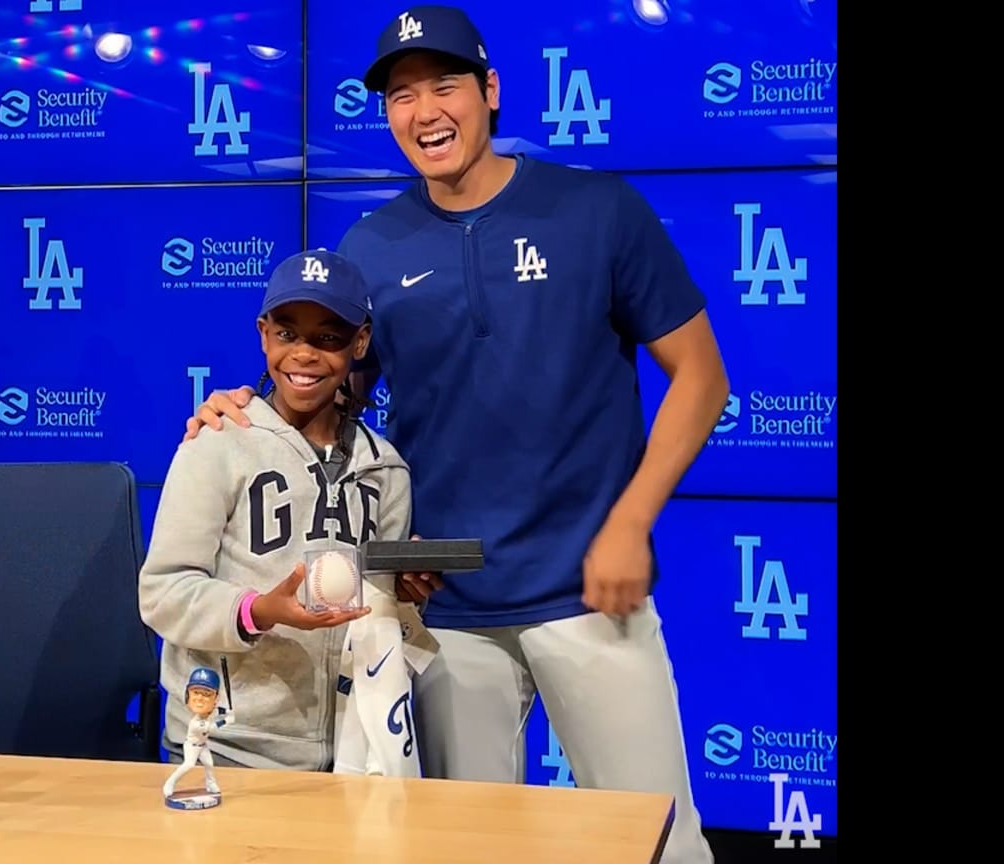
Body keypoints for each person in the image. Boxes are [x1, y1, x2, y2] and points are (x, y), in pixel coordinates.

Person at [182, 6, 727, 862]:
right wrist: (239, 410)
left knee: (658, 845)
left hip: (589, 590)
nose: (424, 110)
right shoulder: (373, 241)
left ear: (490, 92)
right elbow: (326, 394)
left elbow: (701, 376)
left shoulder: (597, 210)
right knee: (466, 848)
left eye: (444, 85)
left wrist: (629, 524)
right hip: (441, 607)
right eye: (401, 95)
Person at [140, 248, 415, 775]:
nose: (304, 355)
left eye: (328, 338)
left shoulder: (387, 470)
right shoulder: (218, 442)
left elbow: (382, 623)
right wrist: (258, 610)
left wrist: (408, 592)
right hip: (223, 749)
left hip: (354, 754)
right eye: (288, 334)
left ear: (360, 343)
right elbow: (163, 591)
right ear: (264, 333)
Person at [162, 666, 234, 800]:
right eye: (196, 692)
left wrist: (228, 712)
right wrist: (227, 721)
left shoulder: (209, 711)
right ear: (188, 695)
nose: (200, 698)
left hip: (202, 746)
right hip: (192, 746)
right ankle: (169, 783)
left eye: (206, 694)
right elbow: (211, 728)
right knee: (189, 765)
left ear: (215, 698)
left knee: (209, 764)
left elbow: (217, 710)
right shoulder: (197, 723)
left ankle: (211, 784)